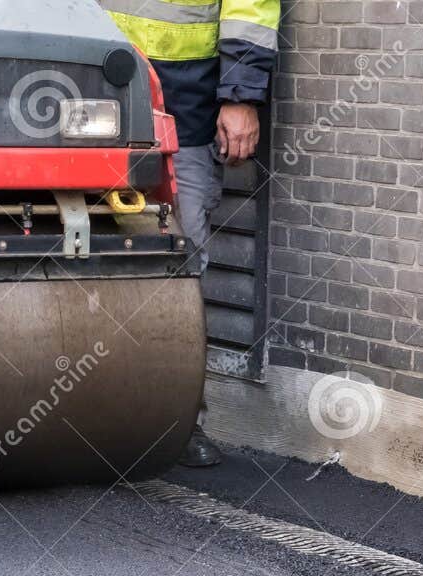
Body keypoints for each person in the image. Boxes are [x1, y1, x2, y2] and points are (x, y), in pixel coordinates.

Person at [100, 0, 280, 468]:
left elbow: (250, 10)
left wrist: (240, 97)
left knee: (179, 256)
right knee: (75, 249)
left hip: (183, 109)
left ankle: (177, 421)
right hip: (84, 101)